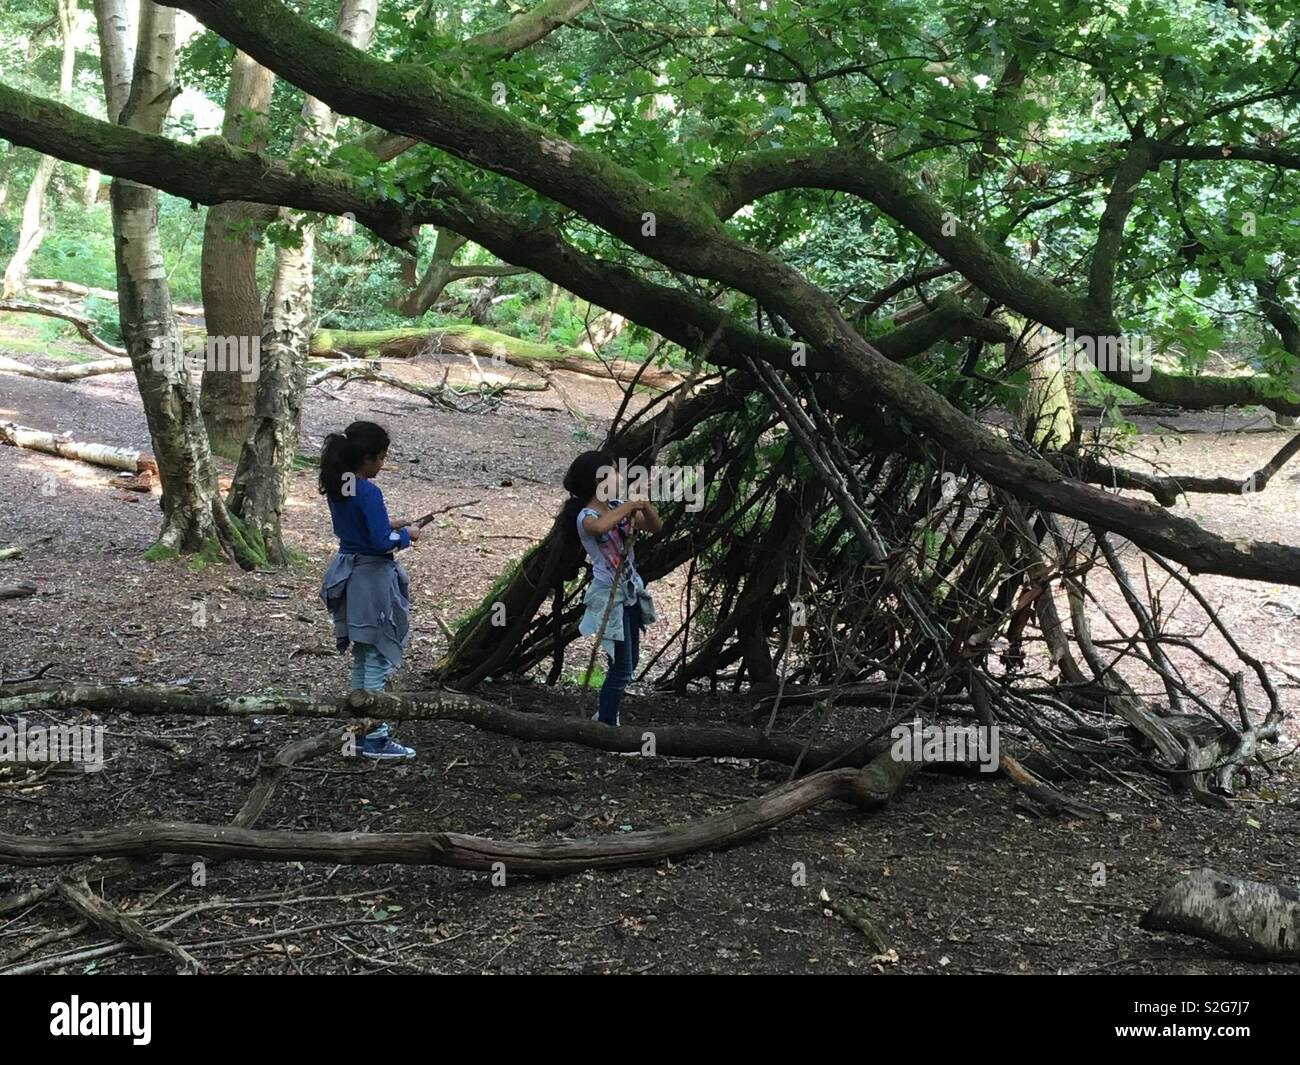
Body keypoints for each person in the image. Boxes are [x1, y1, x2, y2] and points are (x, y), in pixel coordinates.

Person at [317, 420, 420, 760]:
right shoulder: (368, 491)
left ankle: (358, 730)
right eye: (380, 458)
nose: (382, 464)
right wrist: (408, 536)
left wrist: (393, 523)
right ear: (367, 458)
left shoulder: (341, 484)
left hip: (349, 569)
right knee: (376, 652)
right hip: (371, 578)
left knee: (362, 653)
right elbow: (379, 542)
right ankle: (376, 734)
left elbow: (358, 528)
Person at [560, 451, 662, 726]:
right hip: (609, 596)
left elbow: (654, 527)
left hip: (629, 592)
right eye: (615, 471)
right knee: (621, 668)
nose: (620, 476)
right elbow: (601, 526)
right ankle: (606, 723)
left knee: (629, 662)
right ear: (600, 480)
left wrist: (643, 505)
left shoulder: (617, 505)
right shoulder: (587, 515)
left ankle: (605, 716)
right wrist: (629, 506)